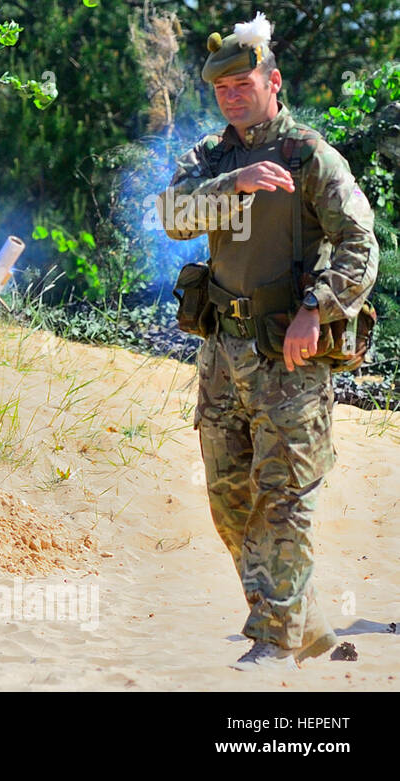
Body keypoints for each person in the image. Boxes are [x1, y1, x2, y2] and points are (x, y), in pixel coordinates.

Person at [157, 12, 378, 671]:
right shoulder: (211, 157)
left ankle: (274, 641)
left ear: (272, 81)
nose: (230, 95)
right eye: (221, 87)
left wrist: (319, 307)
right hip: (223, 355)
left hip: (291, 356)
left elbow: (361, 245)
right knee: (231, 502)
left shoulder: (308, 154)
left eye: (242, 83)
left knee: (284, 499)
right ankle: (305, 624)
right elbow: (171, 217)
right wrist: (234, 185)